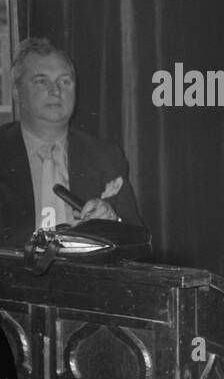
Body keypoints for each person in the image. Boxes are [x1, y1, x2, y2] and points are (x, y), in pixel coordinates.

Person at [0, 38, 143, 249]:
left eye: (65, 81)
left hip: (87, 280)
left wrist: (113, 222)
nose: (55, 90)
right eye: (41, 81)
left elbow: (138, 242)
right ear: (15, 90)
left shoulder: (106, 156)